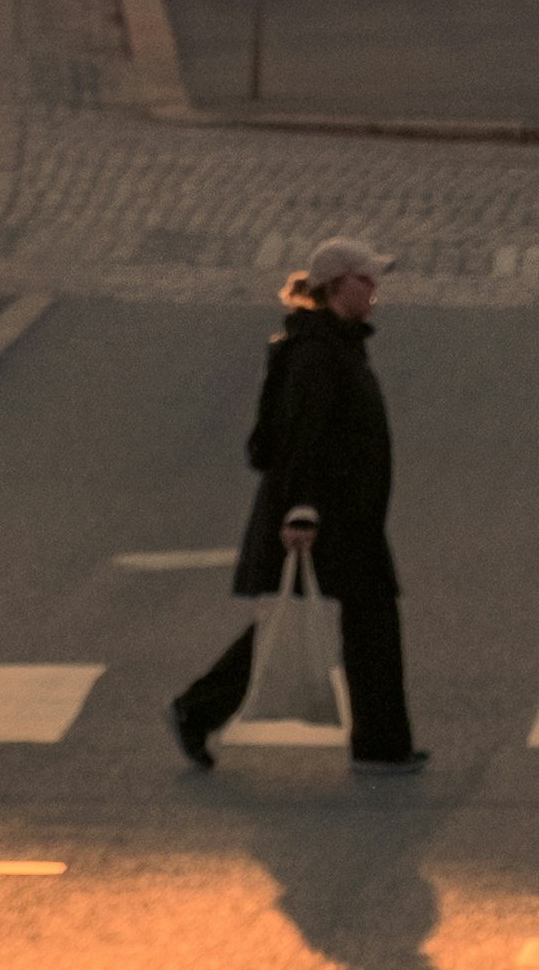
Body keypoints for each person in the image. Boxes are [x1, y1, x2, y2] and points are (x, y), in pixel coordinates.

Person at [171, 235, 425, 772]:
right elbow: (302, 435)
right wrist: (301, 509)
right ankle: (197, 709)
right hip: (322, 513)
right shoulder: (316, 351)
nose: (375, 288)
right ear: (336, 285)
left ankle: (382, 741)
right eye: (365, 279)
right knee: (324, 618)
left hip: (346, 512)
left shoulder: (339, 342)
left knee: (346, 617)